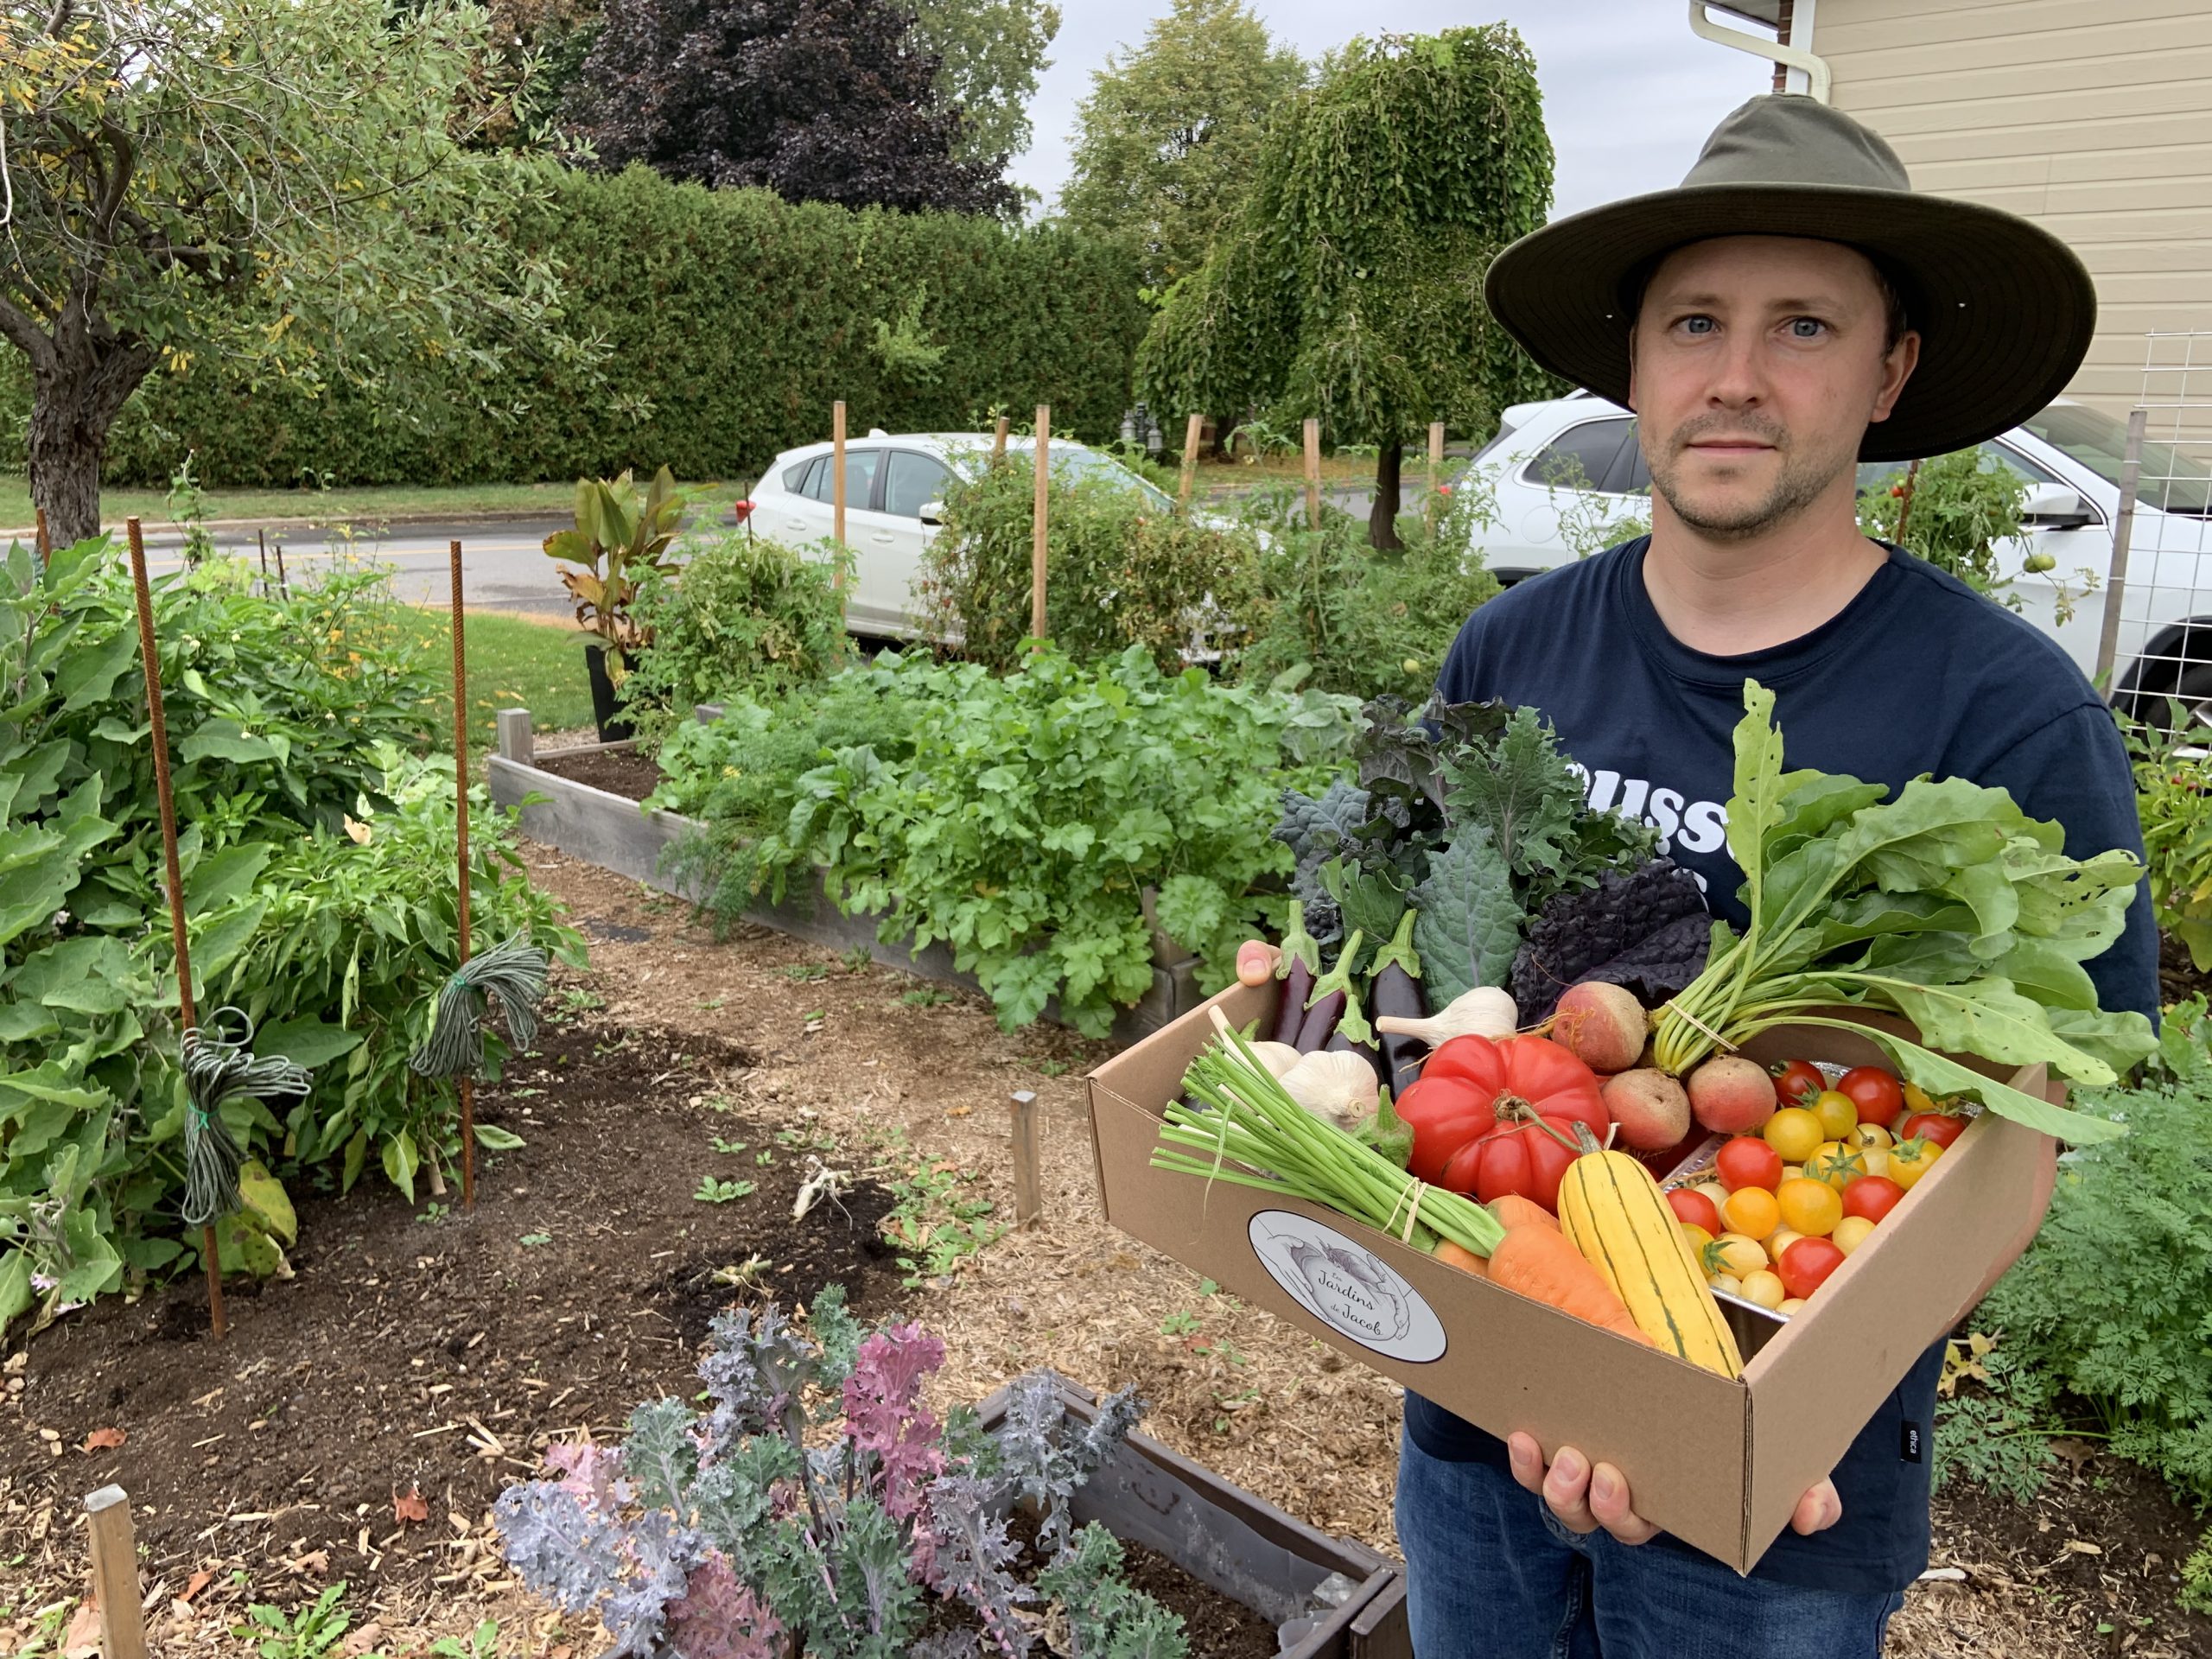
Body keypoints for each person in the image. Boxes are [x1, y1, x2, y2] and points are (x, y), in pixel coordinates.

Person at [1400, 93, 2162, 1658]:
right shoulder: (1509, 646)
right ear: (1636, 367)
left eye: (1803, 325)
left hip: (1782, 1478)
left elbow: (2022, 1141)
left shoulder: (2006, 715)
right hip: (1477, 1407)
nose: (1735, 376)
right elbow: (1429, 976)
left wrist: (1776, 1393)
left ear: (1891, 371)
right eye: (1695, 322)